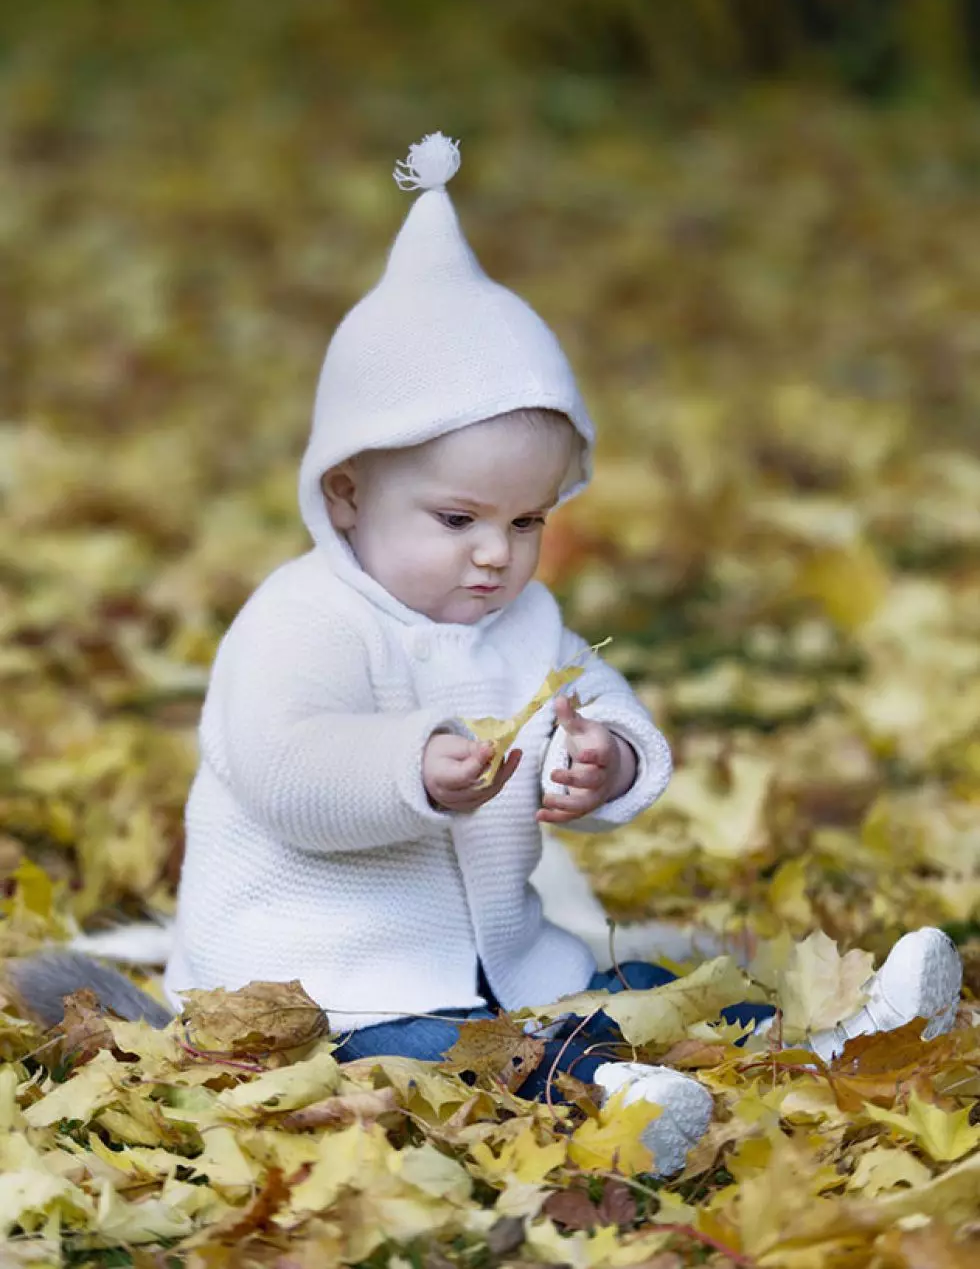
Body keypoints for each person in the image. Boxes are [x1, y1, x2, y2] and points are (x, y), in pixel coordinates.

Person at [9, 134, 962, 1178]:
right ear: (346, 492)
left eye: (524, 521)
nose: (493, 554)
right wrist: (407, 765)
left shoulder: (522, 619)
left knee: (637, 981)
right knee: (434, 1060)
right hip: (332, 985)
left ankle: (833, 1041)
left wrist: (609, 759)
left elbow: (600, 698)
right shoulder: (299, 620)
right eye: (458, 516)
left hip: (507, 962)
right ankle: (608, 1106)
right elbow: (284, 767)